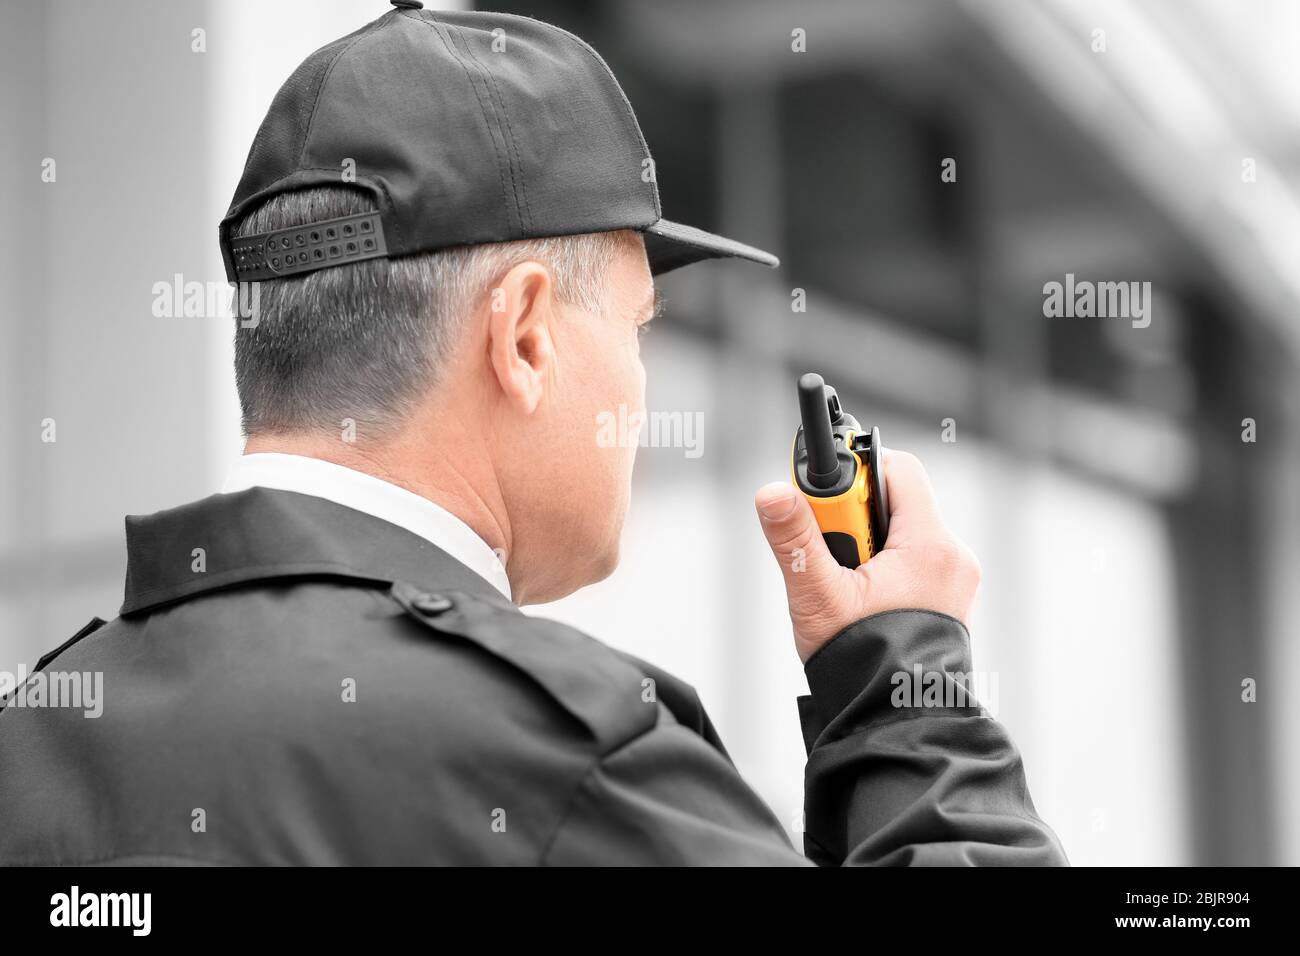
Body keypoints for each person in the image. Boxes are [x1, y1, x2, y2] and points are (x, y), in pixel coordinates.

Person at [0, 2, 1065, 866]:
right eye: (638, 326)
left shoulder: (33, 733)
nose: (643, 390)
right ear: (521, 336)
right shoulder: (574, 763)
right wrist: (902, 692)